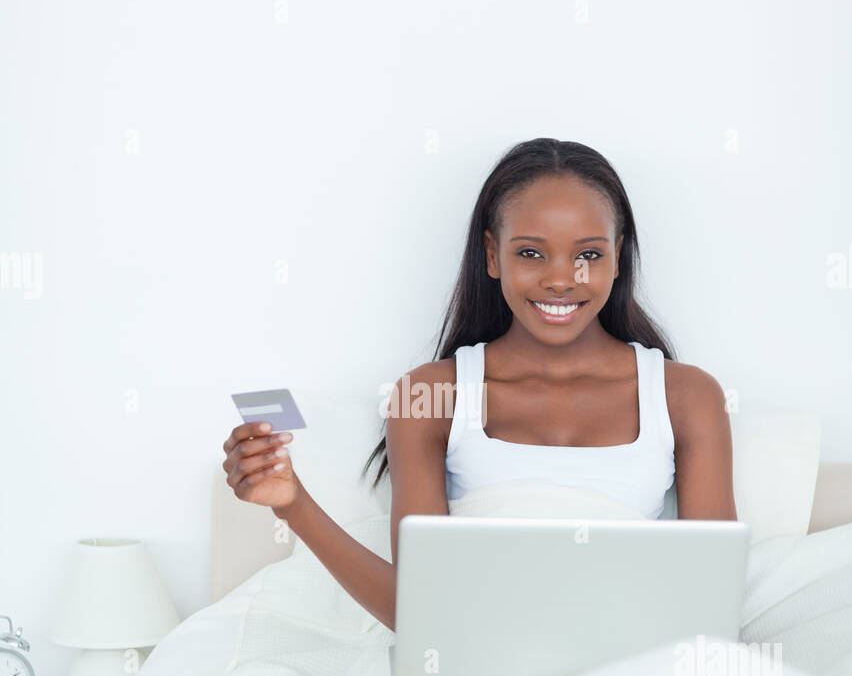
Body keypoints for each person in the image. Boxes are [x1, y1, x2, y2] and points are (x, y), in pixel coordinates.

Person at [221, 138, 736, 631]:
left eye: (589, 255)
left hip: (627, 673)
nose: (561, 279)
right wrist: (292, 504)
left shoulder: (686, 397)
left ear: (617, 256)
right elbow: (418, 612)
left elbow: (711, 598)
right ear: (492, 255)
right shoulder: (428, 397)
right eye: (531, 253)